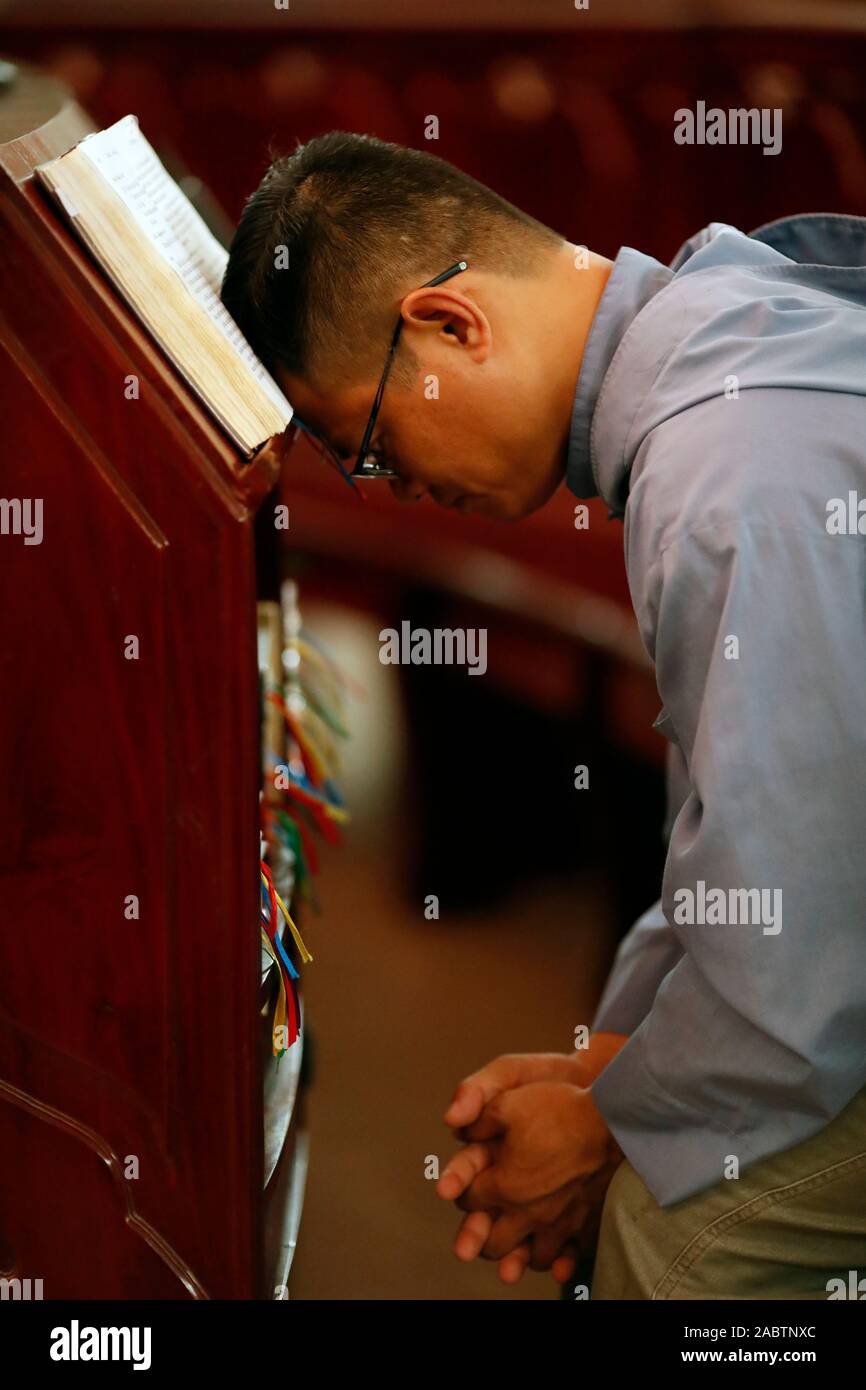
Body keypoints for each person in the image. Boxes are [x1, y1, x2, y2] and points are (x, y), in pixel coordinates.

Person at [222, 133, 866, 1298]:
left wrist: (618, 1126)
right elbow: (741, 839)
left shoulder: (722, 479)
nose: (396, 490)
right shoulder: (713, 317)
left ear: (448, 325)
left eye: (368, 446)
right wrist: (613, 1060)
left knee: (674, 1250)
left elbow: (799, 940)